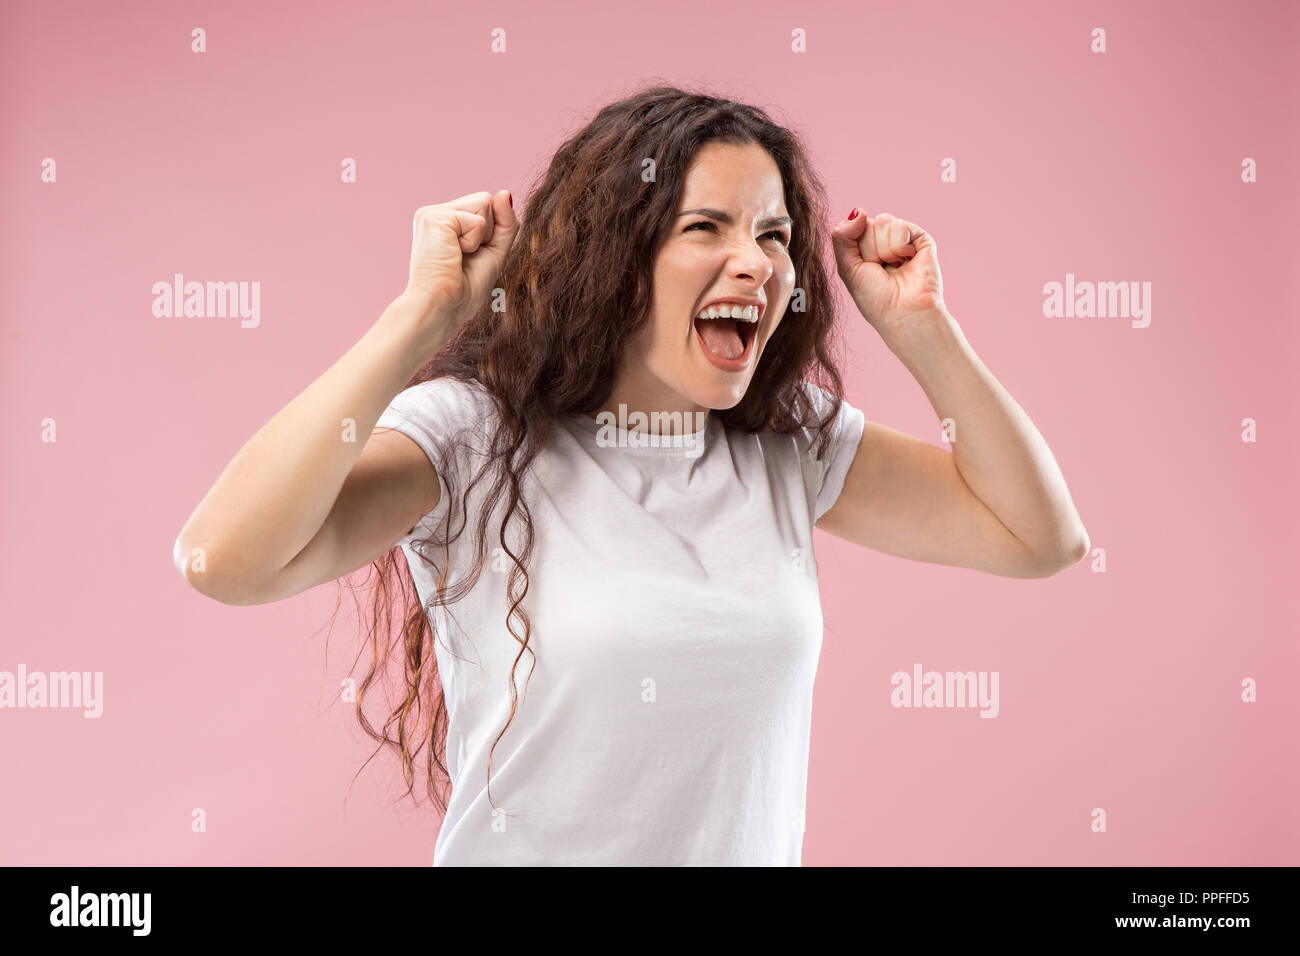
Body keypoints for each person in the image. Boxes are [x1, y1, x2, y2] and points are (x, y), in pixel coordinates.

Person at [173, 85, 1089, 866]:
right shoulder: (473, 437)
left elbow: (1038, 537)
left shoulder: (784, 441)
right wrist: (421, 316)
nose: (757, 264)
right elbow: (226, 558)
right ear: (615, 260)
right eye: (706, 227)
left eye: (774, 236)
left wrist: (922, 327)